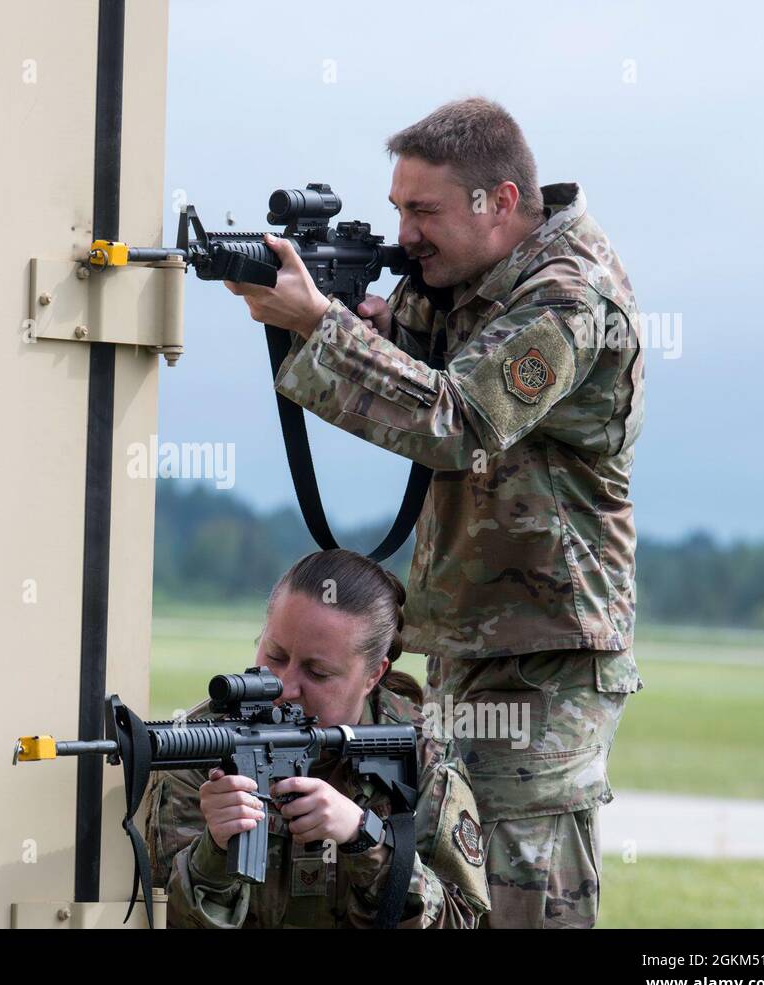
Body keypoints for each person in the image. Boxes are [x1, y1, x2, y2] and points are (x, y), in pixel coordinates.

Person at [221, 97, 644, 928]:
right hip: (466, 635)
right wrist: (378, 332)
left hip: (545, 658)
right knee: (449, 879)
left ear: (502, 204)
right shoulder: (469, 281)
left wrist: (322, 328)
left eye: (425, 211)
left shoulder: (568, 297)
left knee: (523, 891)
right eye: (398, 209)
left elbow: (462, 421)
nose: (406, 234)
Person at [143, 548, 490, 928]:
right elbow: (162, 917)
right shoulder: (203, 744)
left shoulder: (421, 754)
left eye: (317, 672)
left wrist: (366, 839)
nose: (287, 686)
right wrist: (215, 850)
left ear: (374, 674)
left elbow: (460, 921)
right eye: (275, 655)